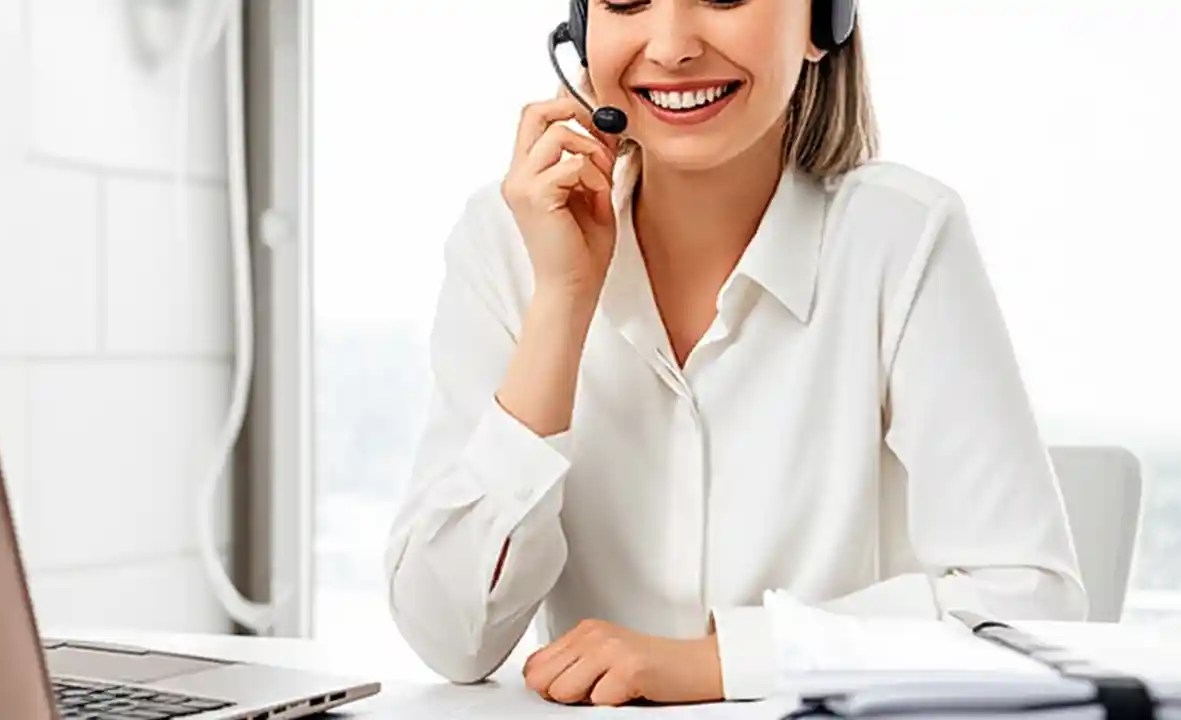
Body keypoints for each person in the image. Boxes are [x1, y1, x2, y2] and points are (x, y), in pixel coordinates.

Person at [384, 0, 1087, 708]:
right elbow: (450, 638)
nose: (671, 46)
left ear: (822, 23)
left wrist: (720, 665)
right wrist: (562, 304)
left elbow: (1029, 609)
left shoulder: (901, 239)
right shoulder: (511, 238)